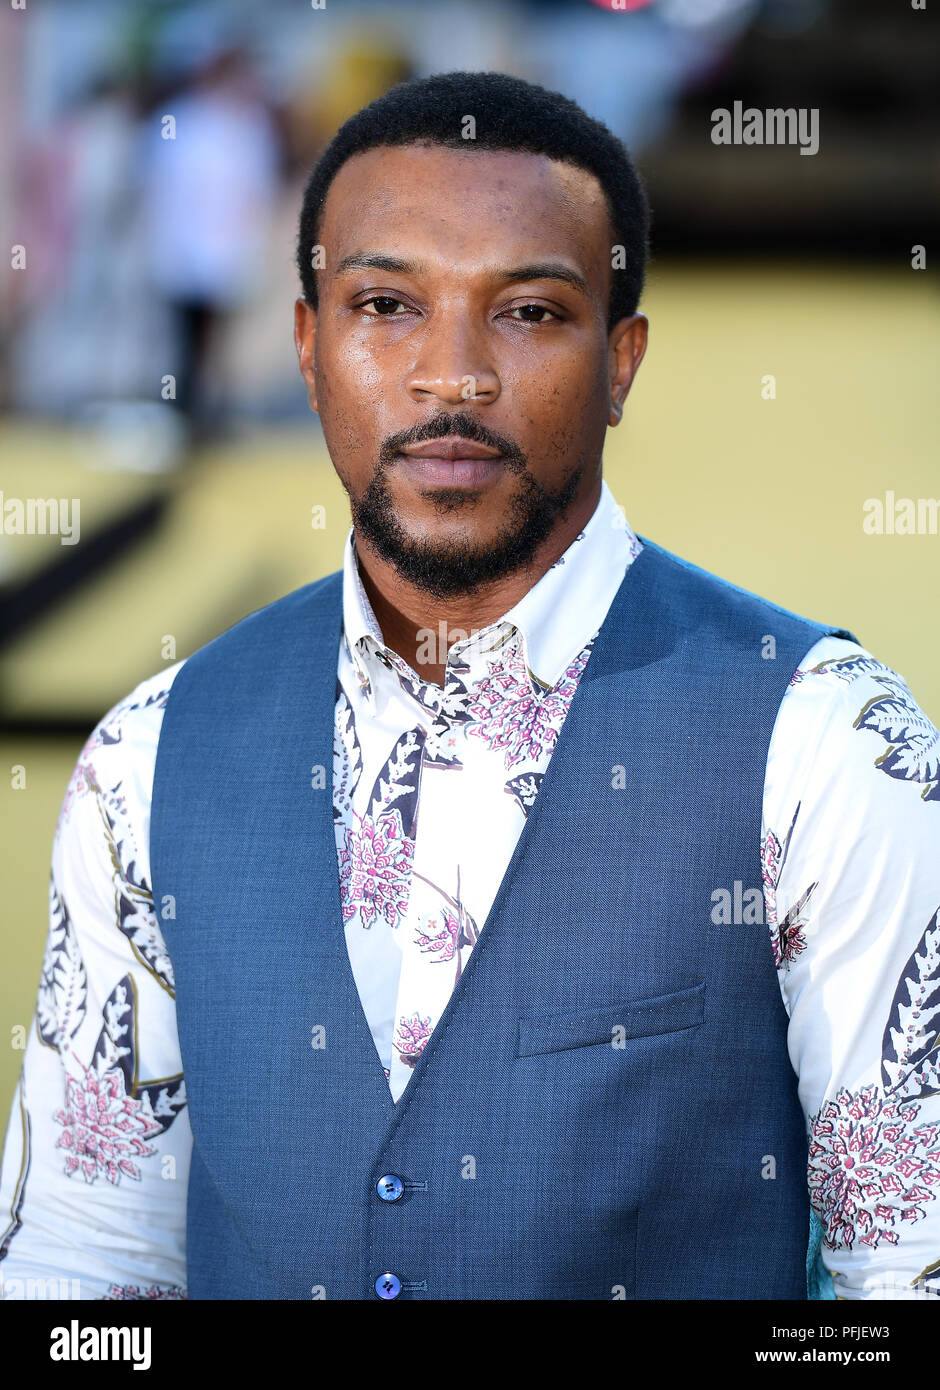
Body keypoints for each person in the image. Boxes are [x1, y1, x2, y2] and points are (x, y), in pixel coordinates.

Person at [2, 71, 938, 1302]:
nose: (452, 376)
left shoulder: (824, 742)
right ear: (307, 346)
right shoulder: (150, 756)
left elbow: (908, 1275)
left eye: (531, 312)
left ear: (621, 361)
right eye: (385, 303)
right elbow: (81, 1270)